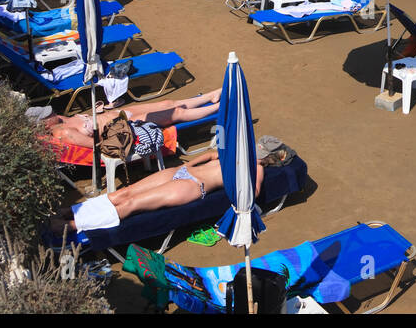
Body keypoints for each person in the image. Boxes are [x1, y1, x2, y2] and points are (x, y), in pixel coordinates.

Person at [49, 142, 291, 234]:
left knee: (131, 205)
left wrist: (239, 179)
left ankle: (72, 226)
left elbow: (254, 193)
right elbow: (208, 155)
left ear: (266, 157)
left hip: (192, 186)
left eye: (259, 149)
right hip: (179, 173)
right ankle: (72, 211)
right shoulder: (238, 150)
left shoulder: (255, 168)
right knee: (122, 193)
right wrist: (189, 165)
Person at [35, 89, 223, 148]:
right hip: (124, 127)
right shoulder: (63, 132)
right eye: (46, 116)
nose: (51, 113)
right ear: (43, 124)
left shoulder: (59, 119)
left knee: (168, 103)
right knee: (177, 114)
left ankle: (210, 96)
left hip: (120, 114)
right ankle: (220, 106)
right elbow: (96, 146)